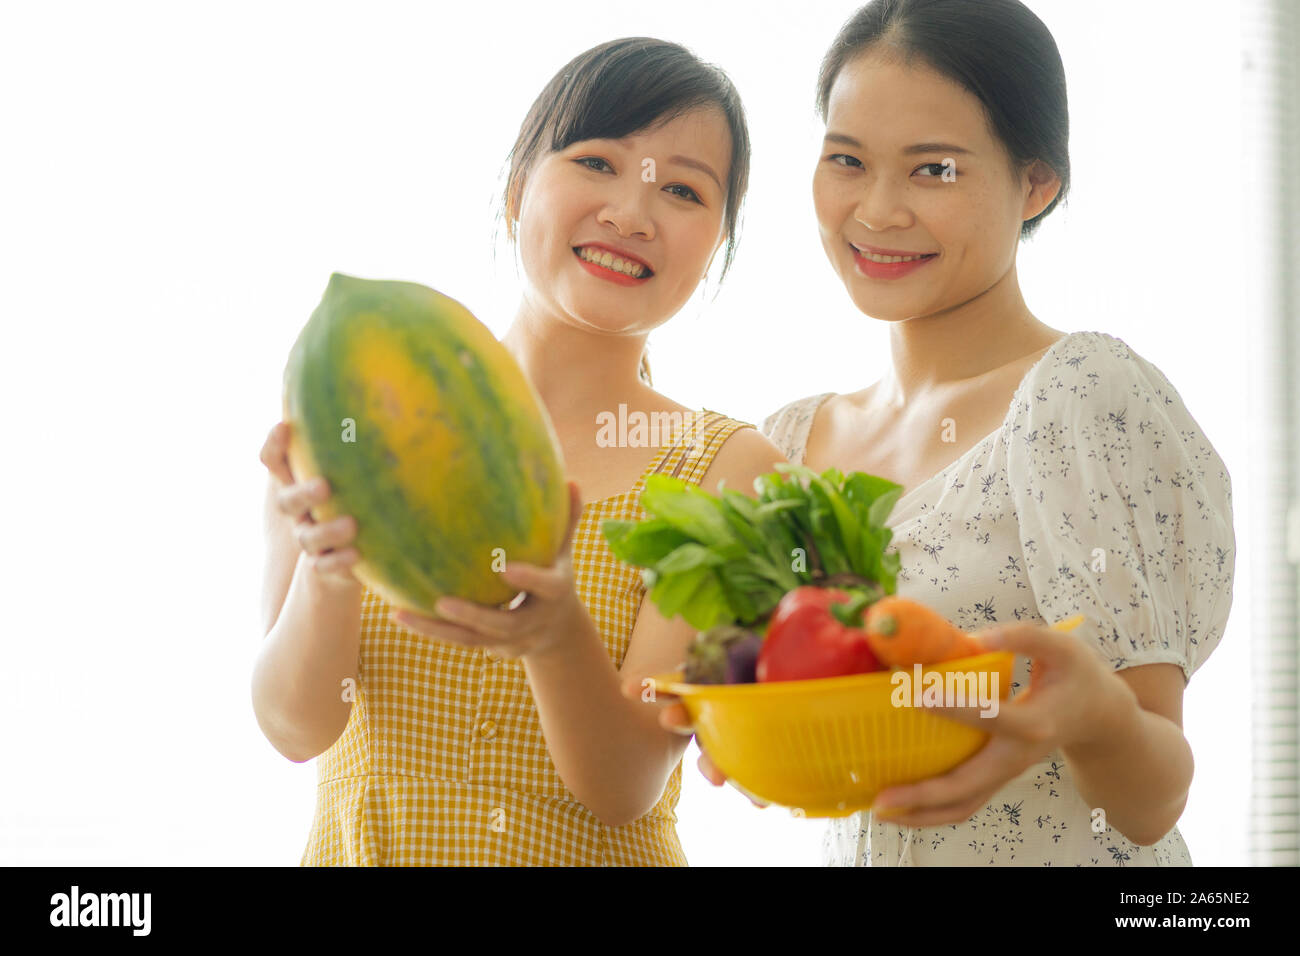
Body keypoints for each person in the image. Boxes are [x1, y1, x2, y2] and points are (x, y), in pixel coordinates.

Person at [635, 0, 1236, 866]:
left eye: (935, 171)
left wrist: (1095, 714)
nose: (876, 212)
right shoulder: (791, 442)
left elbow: (1153, 799)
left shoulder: (1078, 395)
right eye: (847, 160)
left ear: (1036, 183)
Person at [254, 36, 786, 865]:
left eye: (682, 189)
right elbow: (293, 727)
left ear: (715, 243)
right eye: (598, 162)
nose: (632, 214)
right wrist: (329, 572)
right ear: (515, 188)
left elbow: (624, 786)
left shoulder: (728, 471)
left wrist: (554, 635)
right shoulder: (360, 405)